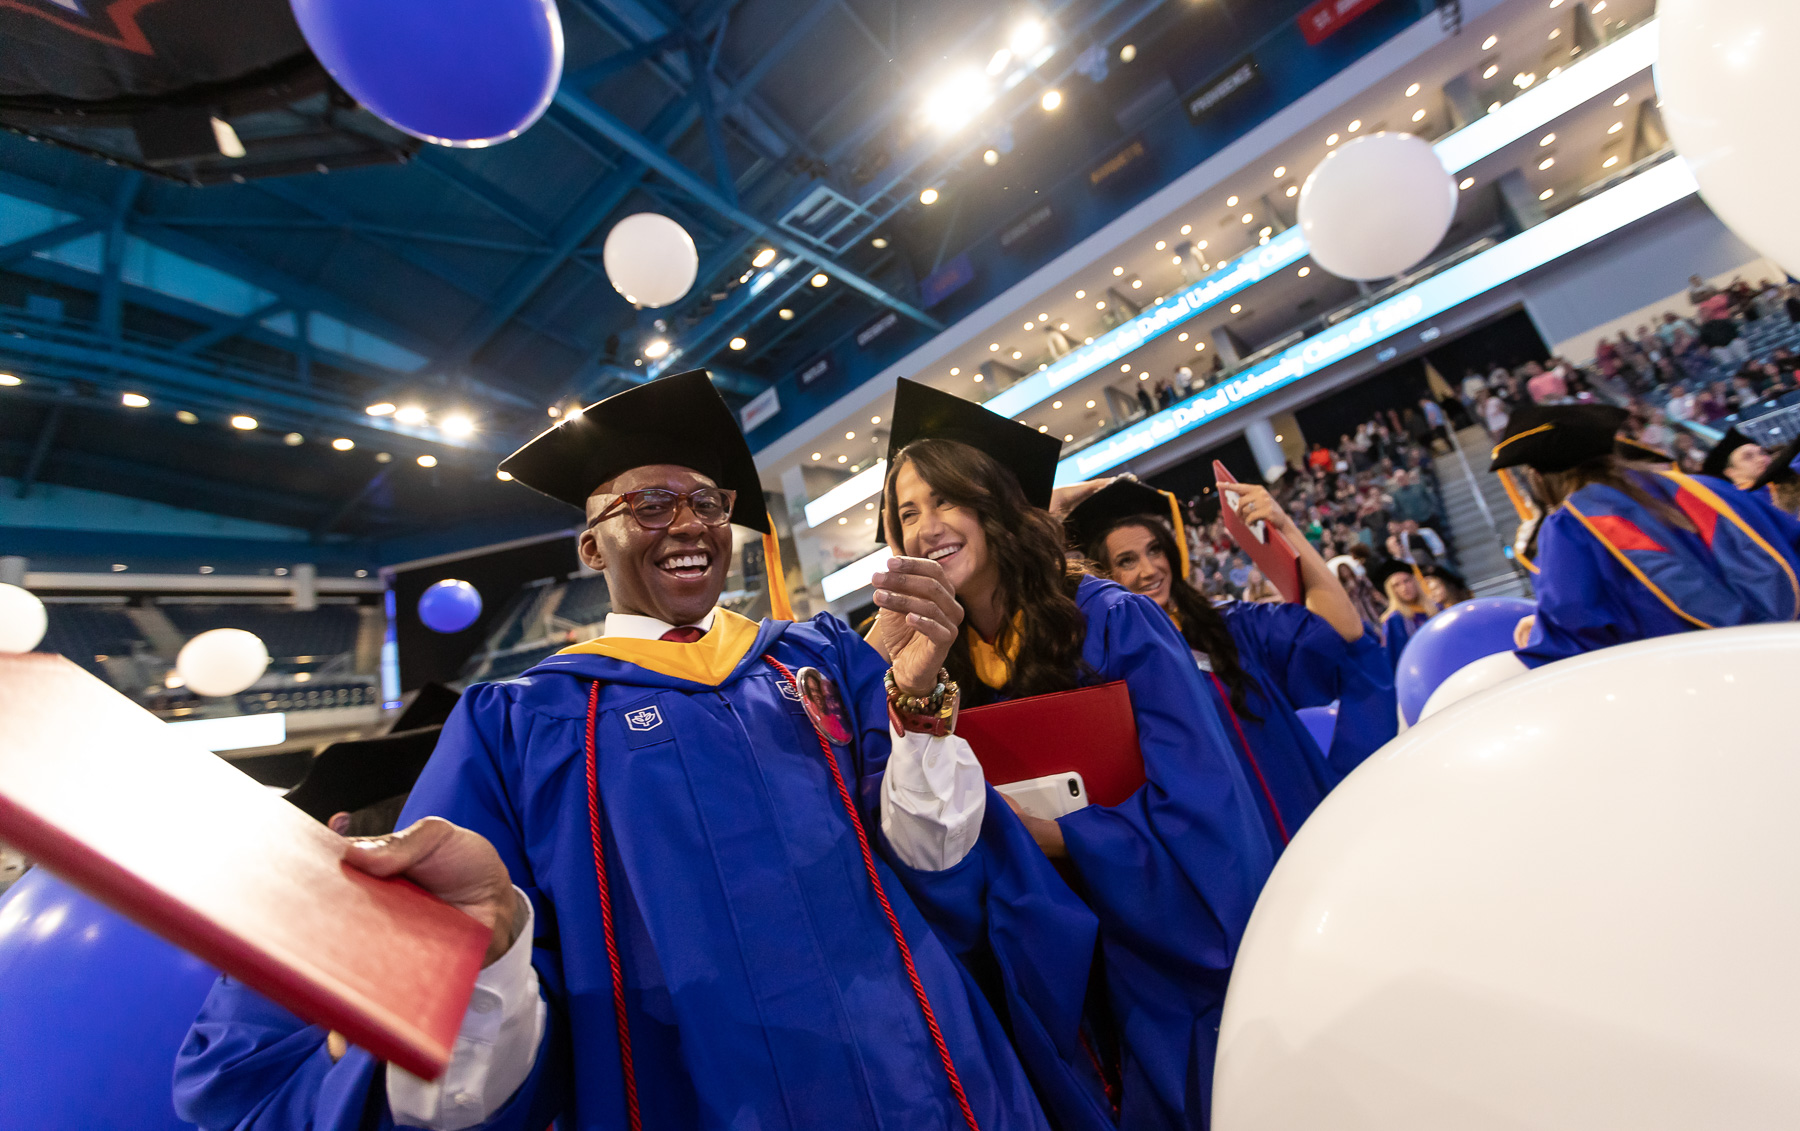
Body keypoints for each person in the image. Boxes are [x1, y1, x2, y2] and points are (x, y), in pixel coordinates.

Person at [175, 372, 1105, 1131]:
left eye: (707, 501)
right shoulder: (521, 725)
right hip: (690, 1096)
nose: (689, 522)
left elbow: (941, 862)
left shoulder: (818, 660)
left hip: (930, 1076)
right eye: (650, 503)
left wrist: (920, 704)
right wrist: (485, 950)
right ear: (592, 546)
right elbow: (478, 989)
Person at [876, 379, 1273, 1131]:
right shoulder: (935, 667)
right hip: (1043, 966)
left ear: (996, 503)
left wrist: (1058, 836)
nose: (927, 527)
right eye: (908, 512)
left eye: (947, 499)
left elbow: (1205, 812)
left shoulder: (1115, 623)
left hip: (1156, 962)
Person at [1066, 478, 1396, 855]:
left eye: (1155, 550)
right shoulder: (1105, 671)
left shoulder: (1231, 625)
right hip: (1222, 856)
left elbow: (1342, 631)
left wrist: (1284, 527)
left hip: (1306, 829)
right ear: (1105, 579)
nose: (1149, 569)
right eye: (1126, 561)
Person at [1491, 402, 1800, 667]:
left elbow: (1576, 626)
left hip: (1701, 676)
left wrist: (1540, 630)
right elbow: (1790, 539)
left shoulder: (1569, 530)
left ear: (1539, 477)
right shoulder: (1705, 489)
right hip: (1787, 646)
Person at [1370, 560, 1439, 673]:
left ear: (1415, 581)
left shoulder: (1436, 608)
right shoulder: (1394, 620)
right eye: (1396, 585)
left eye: (1407, 581)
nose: (1404, 588)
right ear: (1391, 590)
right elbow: (1393, 659)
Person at [1698, 426, 1772, 492]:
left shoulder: (1774, 489)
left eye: (1762, 453)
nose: (1761, 459)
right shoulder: (1743, 500)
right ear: (1730, 472)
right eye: (1748, 457)